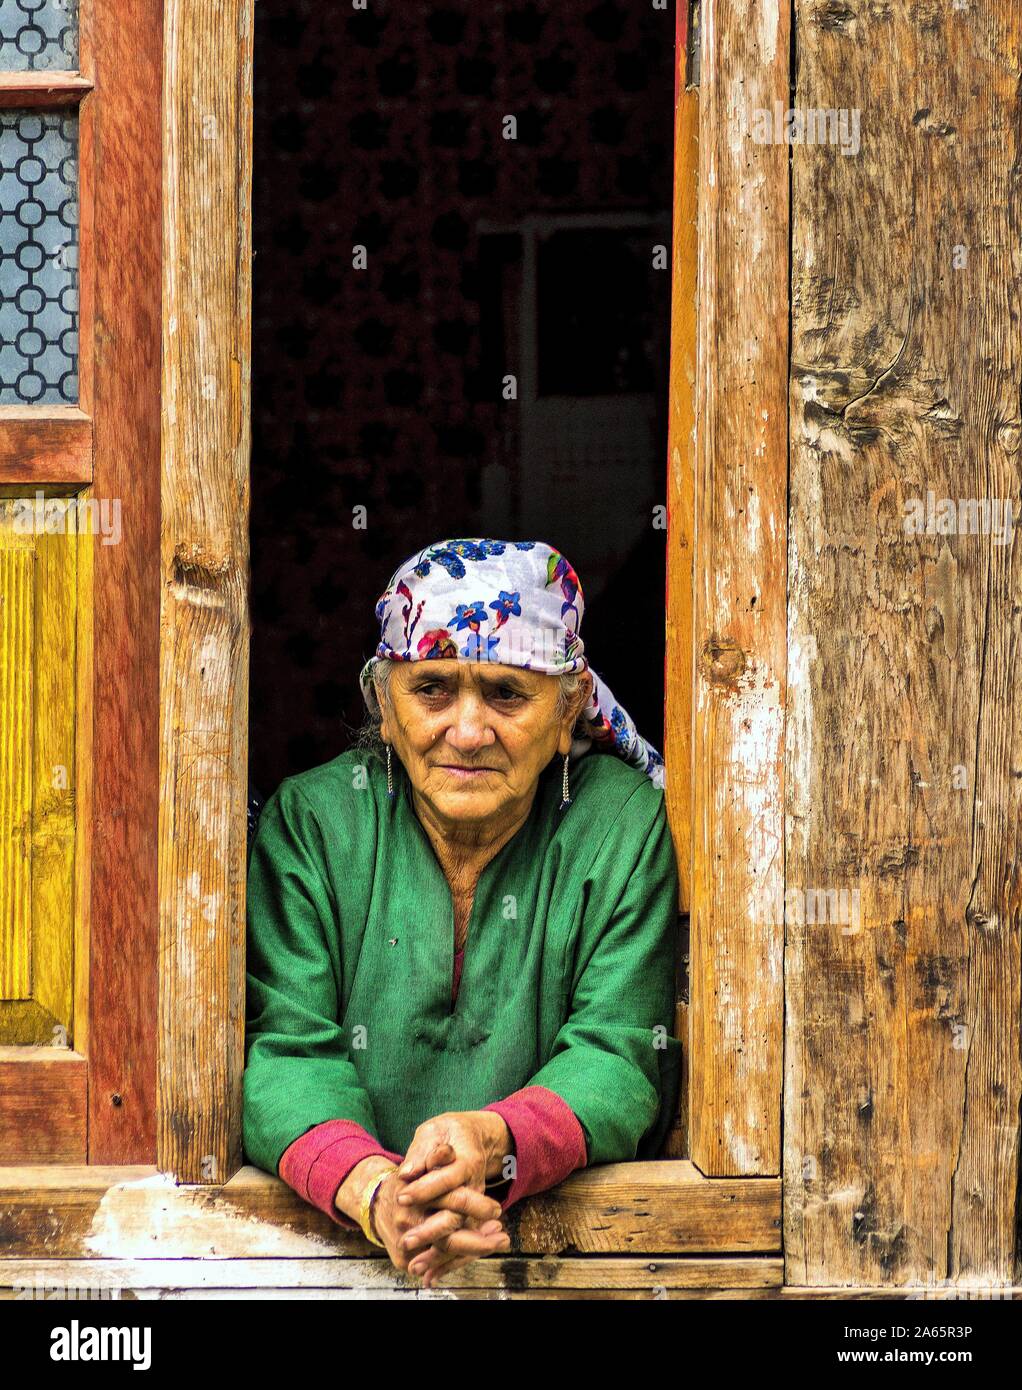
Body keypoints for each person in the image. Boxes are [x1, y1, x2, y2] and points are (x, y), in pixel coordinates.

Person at [244, 538, 680, 1286]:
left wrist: (493, 1144)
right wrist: (380, 1193)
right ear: (384, 704)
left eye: (508, 693)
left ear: (569, 707)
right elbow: (287, 1054)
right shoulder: (314, 825)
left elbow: (619, 1052)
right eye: (433, 689)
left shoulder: (619, 826)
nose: (469, 731)